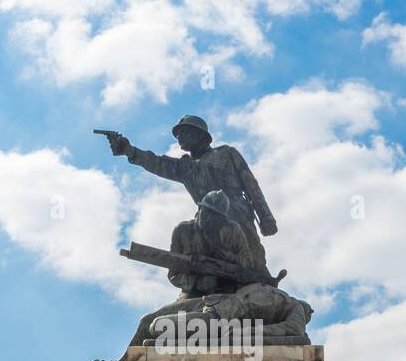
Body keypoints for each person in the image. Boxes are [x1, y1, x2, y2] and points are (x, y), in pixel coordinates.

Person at [105, 115, 277, 271]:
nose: (179, 137)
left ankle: (264, 284)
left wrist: (266, 217)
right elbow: (157, 163)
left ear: (200, 135)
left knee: (254, 262)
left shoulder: (226, 153)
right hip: (206, 219)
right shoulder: (185, 166)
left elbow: (251, 185)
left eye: (184, 132)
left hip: (237, 213)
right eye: (178, 134)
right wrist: (129, 150)